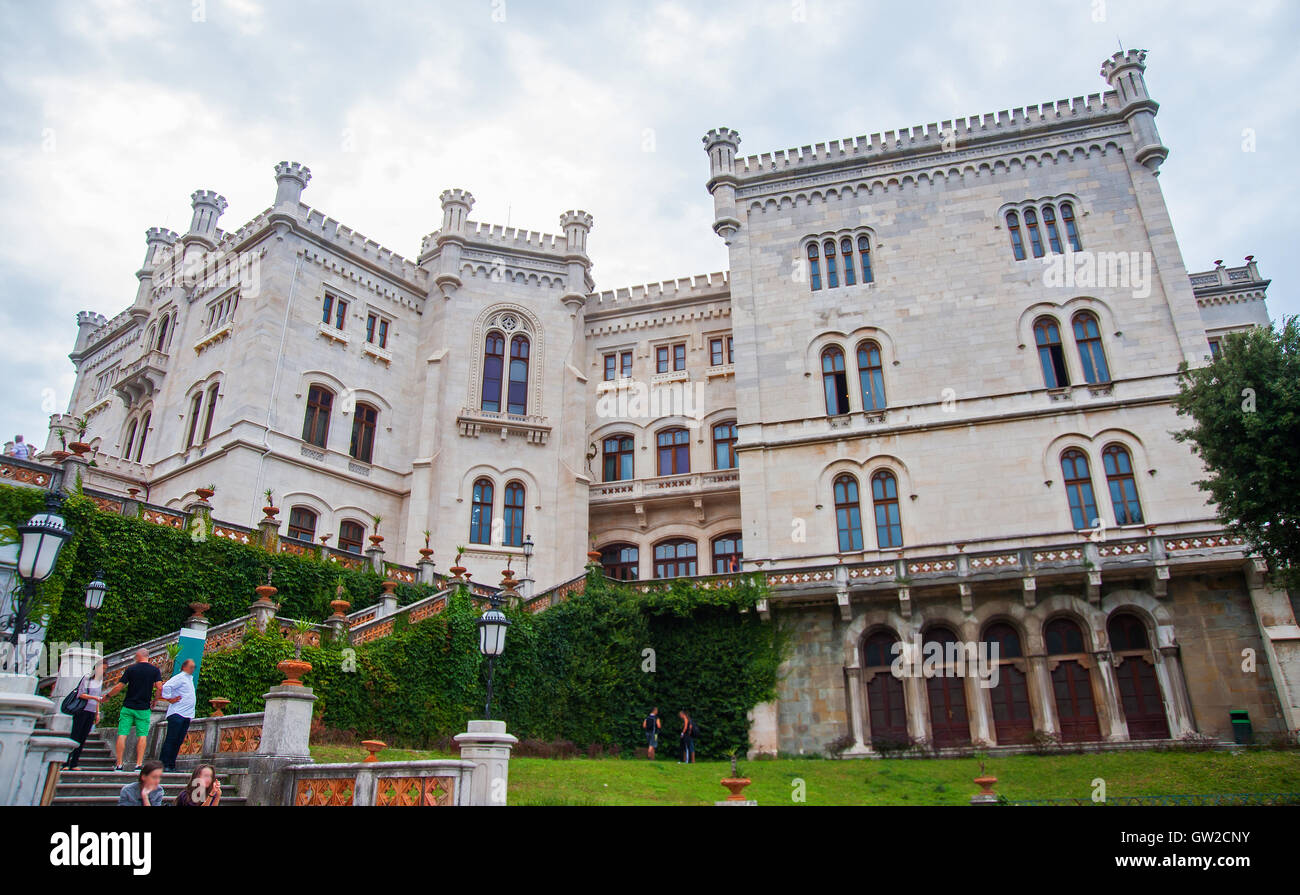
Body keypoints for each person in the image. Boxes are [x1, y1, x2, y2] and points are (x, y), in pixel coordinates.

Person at [101, 650, 163, 772]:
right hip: (144, 708)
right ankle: (139, 764)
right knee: (142, 736)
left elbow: (119, 686)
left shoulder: (131, 669)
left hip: (128, 706)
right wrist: (155, 700)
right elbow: (159, 687)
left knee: (122, 734)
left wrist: (107, 696)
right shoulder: (154, 670)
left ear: (139, 656)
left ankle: (119, 763)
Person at [66, 660, 106, 770]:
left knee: (83, 738)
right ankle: (66, 762)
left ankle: (74, 763)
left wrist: (97, 713)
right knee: (75, 735)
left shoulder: (100, 681)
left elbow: (98, 697)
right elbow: (81, 694)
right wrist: (94, 698)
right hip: (82, 710)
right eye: (102, 668)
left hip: (91, 712)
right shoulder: (87, 678)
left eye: (105, 669)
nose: (103, 671)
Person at [158, 659, 196, 771]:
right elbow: (166, 686)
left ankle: (171, 764)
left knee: (178, 740)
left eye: (194, 667)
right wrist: (170, 699)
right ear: (184, 667)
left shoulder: (189, 679)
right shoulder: (180, 677)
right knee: (172, 738)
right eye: (191, 667)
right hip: (177, 712)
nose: (193, 669)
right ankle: (164, 763)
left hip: (187, 714)